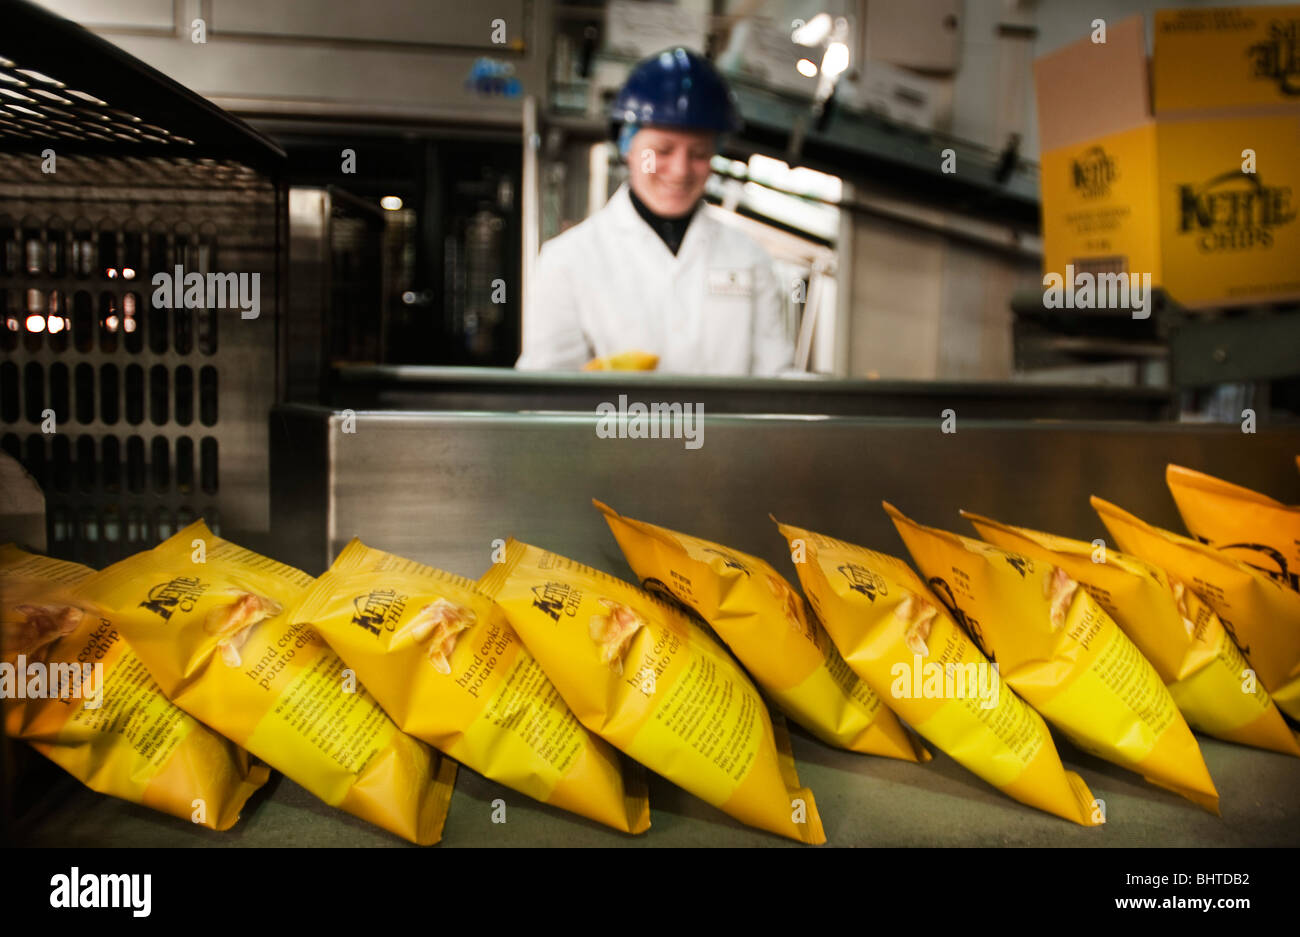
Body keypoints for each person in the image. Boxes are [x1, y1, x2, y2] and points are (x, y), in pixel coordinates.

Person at [516, 48, 795, 375]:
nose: (679, 170)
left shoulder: (749, 259)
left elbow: (776, 383)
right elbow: (547, 394)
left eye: (699, 153)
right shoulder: (567, 260)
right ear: (627, 147)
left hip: (721, 429)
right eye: (661, 151)